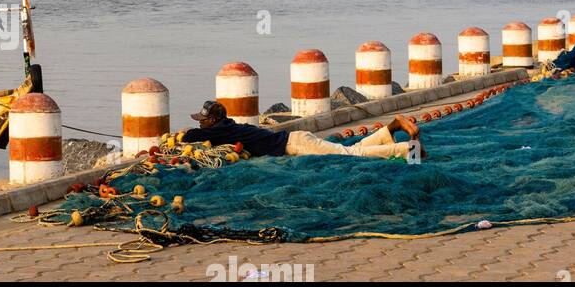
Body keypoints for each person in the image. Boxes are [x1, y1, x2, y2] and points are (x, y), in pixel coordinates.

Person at [181, 100, 422, 160]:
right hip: (297, 140)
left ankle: (408, 150)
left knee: (350, 155)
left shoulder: (220, 130)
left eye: (202, 119)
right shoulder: (227, 128)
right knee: (352, 149)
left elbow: (193, 136)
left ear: (213, 120)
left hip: (296, 144)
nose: (199, 123)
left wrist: (181, 135)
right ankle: (393, 126)